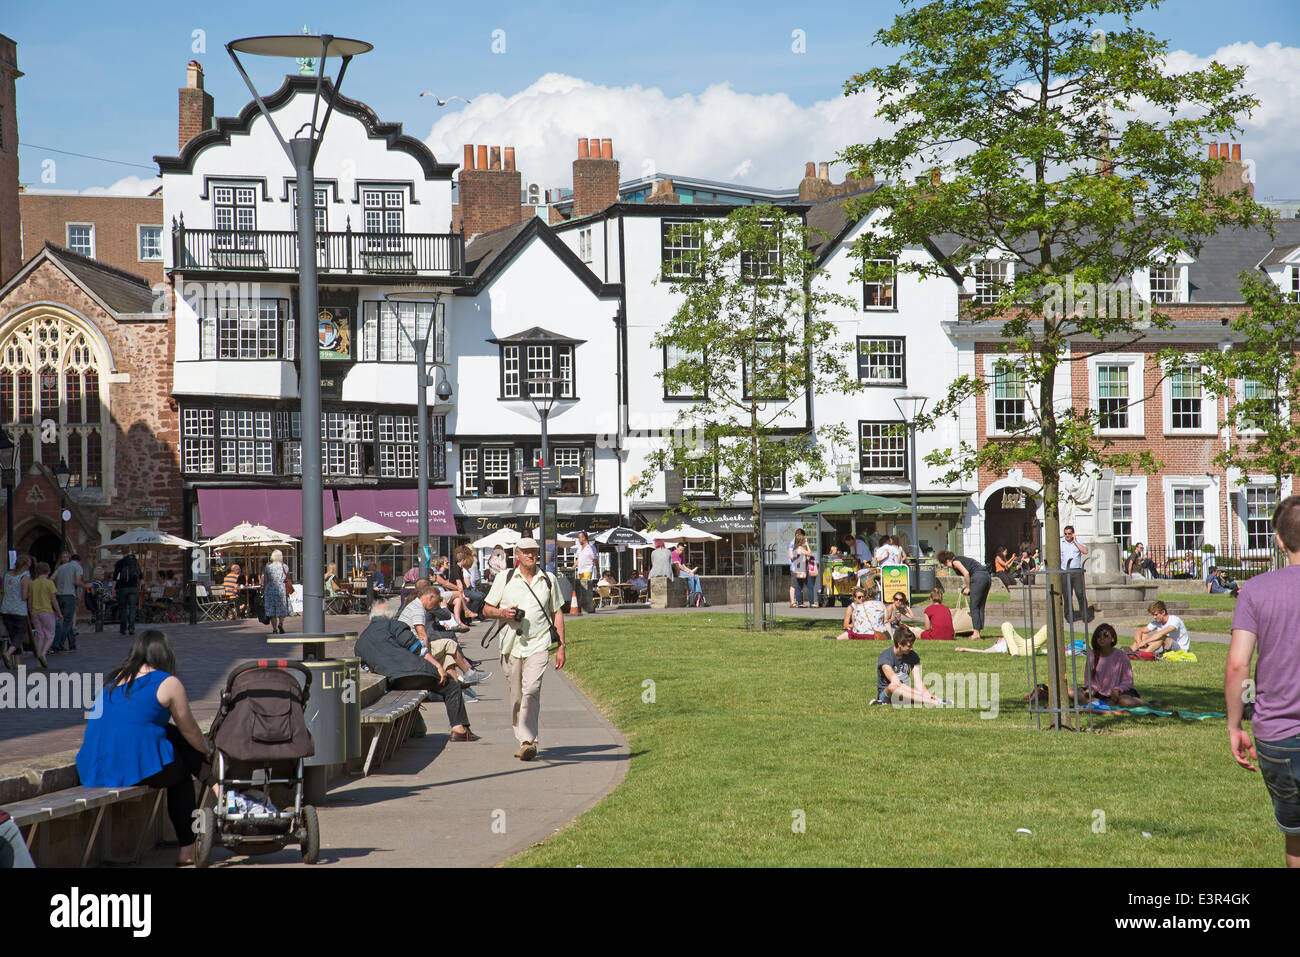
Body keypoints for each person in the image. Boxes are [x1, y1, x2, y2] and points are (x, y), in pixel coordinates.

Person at [76, 630, 209, 866]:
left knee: (170, 732)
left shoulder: (114, 678)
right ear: (165, 655)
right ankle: (187, 848)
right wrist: (208, 752)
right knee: (181, 775)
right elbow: (191, 732)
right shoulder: (168, 682)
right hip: (130, 766)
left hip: (94, 765)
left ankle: (215, 782)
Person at [1226, 494, 1300, 868]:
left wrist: (1234, 724)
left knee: (1296, 838)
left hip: (1278, 736)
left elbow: (1238, 665)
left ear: (1278, 540)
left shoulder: (1256, 590)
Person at [483, 539, 566, 762]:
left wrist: (561, 647)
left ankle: (528, 741)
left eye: (534, 552)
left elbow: (557, 612)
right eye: (526, 552)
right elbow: (486, 609)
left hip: (539, 644)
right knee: (517, 695)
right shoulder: (505, 578)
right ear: (517, 555)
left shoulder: (548, 579)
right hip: (511, 645)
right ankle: (521, 738)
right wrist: (503, 614)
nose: (531, 556)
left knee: (531, 690)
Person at [355, 600, 481, 742]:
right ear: (388, 615)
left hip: (394, 682)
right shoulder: (394, 625)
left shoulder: (361, 641)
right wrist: (438, 666)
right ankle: (459, 729)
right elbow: (417, 649)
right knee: (452, 686)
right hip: (416, 671)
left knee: (423, 690)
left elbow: (368, 668)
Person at [1068, 623, 1147, 708]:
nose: (1102, 638)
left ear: (1112, 638)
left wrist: (1117, 690)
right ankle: (1102, 704)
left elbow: (1128, 682)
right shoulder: (1092, 655)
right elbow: (1088, 680)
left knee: (1125, 701)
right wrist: (1091, 689)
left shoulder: (1121, 655)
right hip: (1098, 693)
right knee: (1071, 691)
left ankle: (1143, 702)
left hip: (1120, 692)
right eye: (1099, 636)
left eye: (1105, 635)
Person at [876, 625, 950, 706]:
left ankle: (931, 701)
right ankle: (933, 702)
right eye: (909, 646)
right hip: (887, 694)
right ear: (900, 644)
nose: (911, 648)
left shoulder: (913, 656)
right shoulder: (885, 657)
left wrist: (928, 695)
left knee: (910, 692)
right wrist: (922, 695)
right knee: (893, 686)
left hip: (905, 693)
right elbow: (897, 684)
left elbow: (918, 682)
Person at [937, 550, 992, 631]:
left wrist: (968, 587)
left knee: (974, 606)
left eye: (945, 564)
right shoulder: (962, 559)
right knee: (980, 605)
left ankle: (976, 632)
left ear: (948, 560)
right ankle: (978, 630)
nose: (946, 566)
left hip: (978, 577)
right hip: (986, 577)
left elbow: (966, 573)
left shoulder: (955, 562)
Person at [2, 556, 32, 669]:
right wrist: (30, 594)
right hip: (18, 610)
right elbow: (24, 596)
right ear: (25, 565)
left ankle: (18, 662)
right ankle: (7, 653)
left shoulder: (7, 574)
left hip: (5, 609)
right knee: (20, 635)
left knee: (13, 636)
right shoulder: (24, 577)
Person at [52, 551, 84, 653]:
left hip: (59, 595)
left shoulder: (60, 568)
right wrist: (86, 585)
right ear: (79, 561)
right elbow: (77, 582)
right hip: (69, 595)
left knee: (65, 619)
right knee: (67, 621)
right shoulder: (77, 567)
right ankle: (58, 644)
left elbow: (51, 578)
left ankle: (72, 643)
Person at [28, 562, 57, 669]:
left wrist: (31, 612)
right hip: (46, 611)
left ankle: (39, 663)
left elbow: (30, 600)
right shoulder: (49, 583)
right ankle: (43, 654)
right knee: (50, 635)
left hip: (35, 612)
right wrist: (59, 612)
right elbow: (53, 600)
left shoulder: (32, 583)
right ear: (48, 571)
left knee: (40, 636)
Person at [1060, 524, 1090, 623]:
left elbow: (1085, 551)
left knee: (1080, 593)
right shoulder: (1061, 543)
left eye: (1069, 534)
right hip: (1065, 571)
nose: (1067, 536)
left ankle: (1084, 615)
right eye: (1065, 534)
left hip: (1076, 571)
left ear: (1072, 534)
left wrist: (1075, 542)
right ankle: (1069, 616)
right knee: (1067, 594)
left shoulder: (1078, 541)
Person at [261, 550, 292, 635]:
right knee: (281, 608)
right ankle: (281, 623)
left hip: (270, 588)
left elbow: (266, 581)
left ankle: (274, 629)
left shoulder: (268, 567)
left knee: (272, 610)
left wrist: (263, 590)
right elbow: (287, 578)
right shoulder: (284, 566)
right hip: (281, 589)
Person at [113, 549, 143, 636]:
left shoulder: (120, 562)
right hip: (133, 587)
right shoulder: (135, 562)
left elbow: (115, 577)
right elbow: (141, 575)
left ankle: (123, 628)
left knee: (123, 608)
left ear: (123, 553)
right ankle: (131, 628)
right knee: (133, 608)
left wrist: (113, 589)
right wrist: (140, 586)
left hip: (122, 588)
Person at [573, 531, 599, 615]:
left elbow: (595, 560)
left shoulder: (591, 547)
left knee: (585, 589)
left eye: (580, 538)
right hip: (580, 571)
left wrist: (598, 571)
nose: (579, 539)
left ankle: (588, 607)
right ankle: (582, 606)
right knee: (580, 590)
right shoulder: (579, 548)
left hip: (587, 570)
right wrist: (572, 567)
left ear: (584, 538)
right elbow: (578, 560)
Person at [789, 528, 812, 608]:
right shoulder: (795, 544)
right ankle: (793, 602)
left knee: (797, 586)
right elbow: (791, 556)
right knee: (795, 585)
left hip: (797, 568)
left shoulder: (796, 545)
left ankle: (796, 602)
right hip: (796, 568)